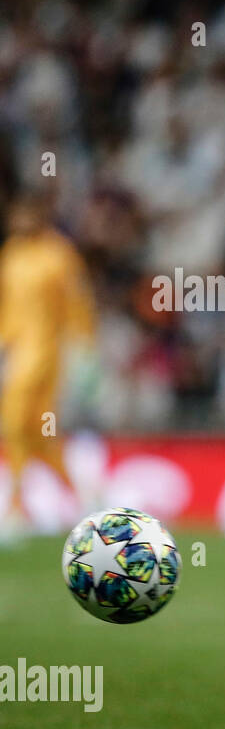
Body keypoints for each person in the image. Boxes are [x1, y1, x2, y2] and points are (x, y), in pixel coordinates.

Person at [0, 192, 96, 543]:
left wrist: (85, 346)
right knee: (38, 435)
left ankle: (13, 509)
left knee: (14, 423)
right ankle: (83, 496)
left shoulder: (58, 254)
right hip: (16, 351)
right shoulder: (12, 252)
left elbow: (77, 302)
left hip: (46, 355)